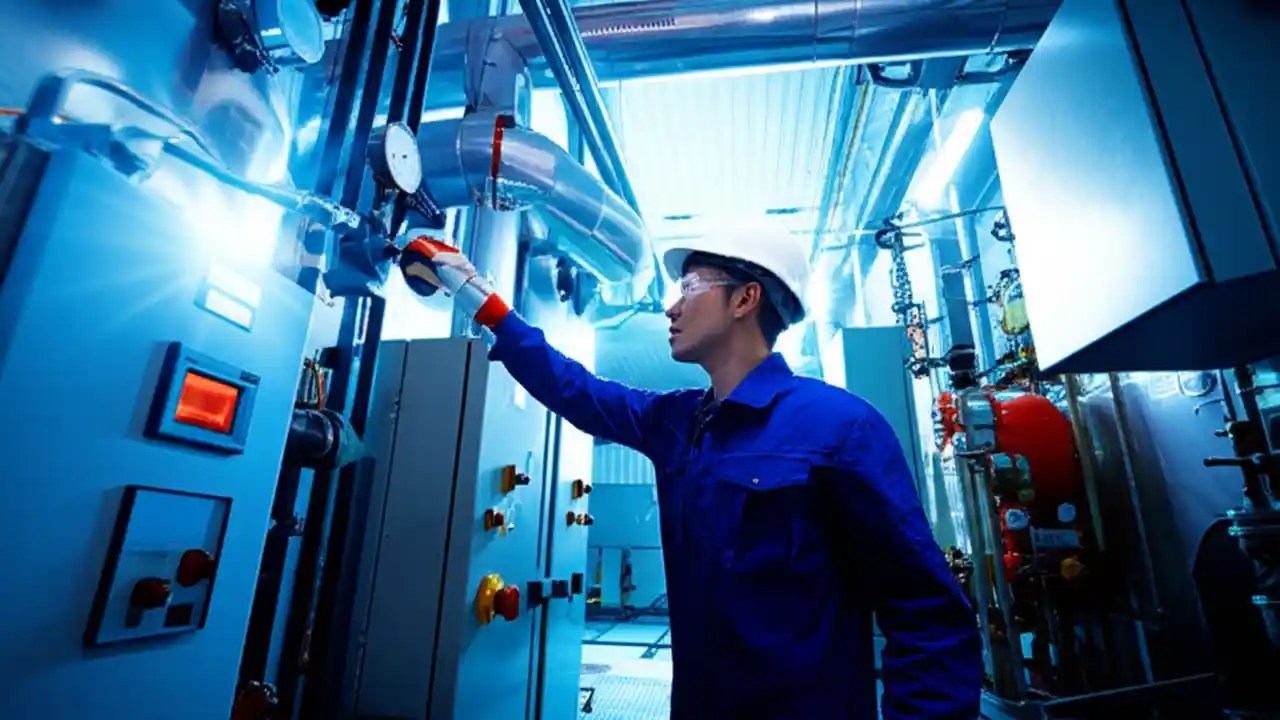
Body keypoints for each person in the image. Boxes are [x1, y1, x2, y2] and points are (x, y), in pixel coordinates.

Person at [400, 221, 982, 719]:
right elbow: (578, 391)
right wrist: (488, 305)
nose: (672, 306)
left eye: (689, 287)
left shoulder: (840, 428)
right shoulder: (678, 422)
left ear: (745, 299)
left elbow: (926, 616)